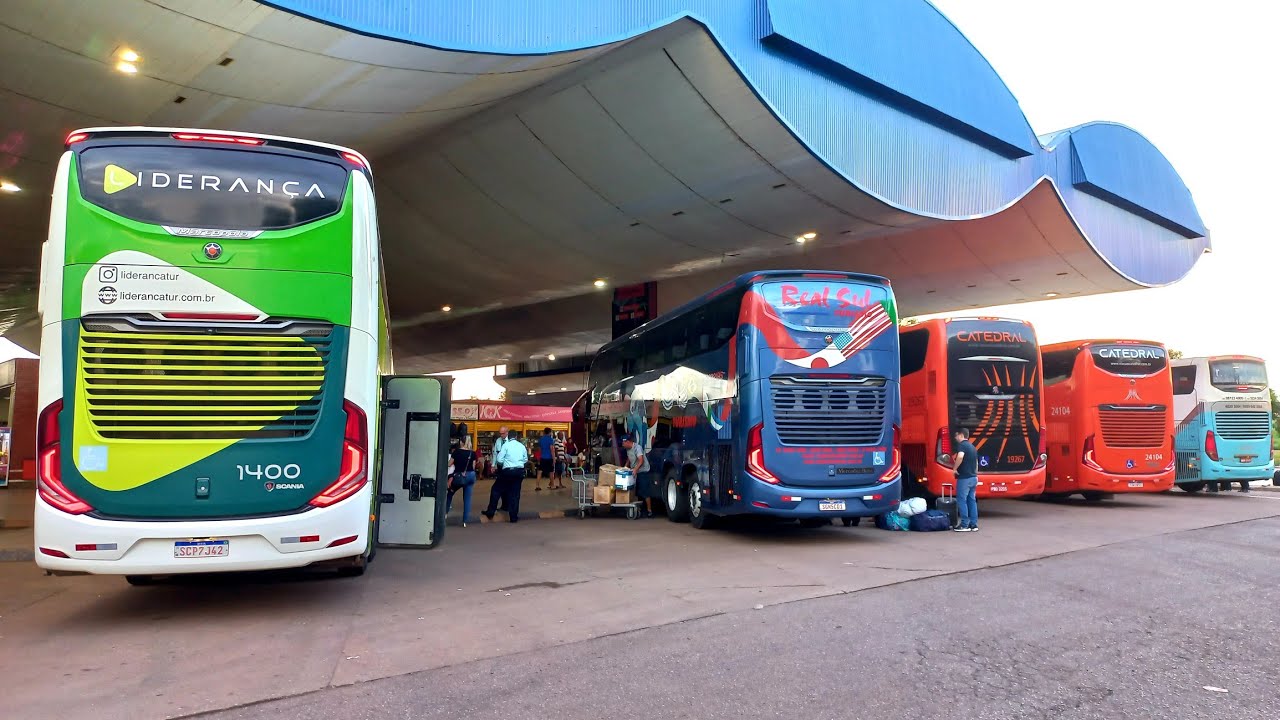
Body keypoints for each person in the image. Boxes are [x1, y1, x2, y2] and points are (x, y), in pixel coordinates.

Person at [483, 427, 529, 523]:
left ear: (508, 435)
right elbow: (525, 459)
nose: (501, 435)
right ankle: (513, 517)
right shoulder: (521, 446)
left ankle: (491, 511)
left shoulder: (506, 445)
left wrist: (506, 462)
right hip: (519, 471)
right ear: (516, 437)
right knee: (515, 494)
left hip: (507, 471)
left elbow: (499, 459)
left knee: (496, 489)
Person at [950, 427, 980, 532]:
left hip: (964, 478)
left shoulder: (962, 445)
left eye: (956, 435)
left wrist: (955, 469)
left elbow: (960, 457)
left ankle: (964, 525)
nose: (955, 438)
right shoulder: (973, 447)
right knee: (972, 500)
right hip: (973, 477)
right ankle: (974, 524)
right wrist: (975, 474)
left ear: (961, 435)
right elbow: (976, 463)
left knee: (962, 500)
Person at [447, 437, 478, 527]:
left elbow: (449, 464)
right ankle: (465, 521)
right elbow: (473, 466)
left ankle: (445, 513)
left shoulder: (457, 452)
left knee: (450, 493)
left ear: (461, 442)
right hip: (470, 476)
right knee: (467, 499)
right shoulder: (472, 453)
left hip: (459, 476)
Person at [622, 434, 655, 518]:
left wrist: (635, 469)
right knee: (636, 491)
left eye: (624, 443)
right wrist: (625, 467)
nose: (622, 445)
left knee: (645, 491)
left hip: (643, 471)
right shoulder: (628, 449)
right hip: (634, 471)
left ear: (628, 442)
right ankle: (639, 509)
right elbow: (629, 458)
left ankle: (649, 511)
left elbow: (641, 460)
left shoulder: (637, 448)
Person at [536, 427, 555, 492]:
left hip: (542, 457)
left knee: (540, 471)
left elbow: (539, 449)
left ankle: (537, 485)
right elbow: (551, 449)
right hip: (549, 457)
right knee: (551, 472)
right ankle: (552, 485)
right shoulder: (550, 439)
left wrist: (539, 457)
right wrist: (554, 459)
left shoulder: (541, 439)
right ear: (549, 432)